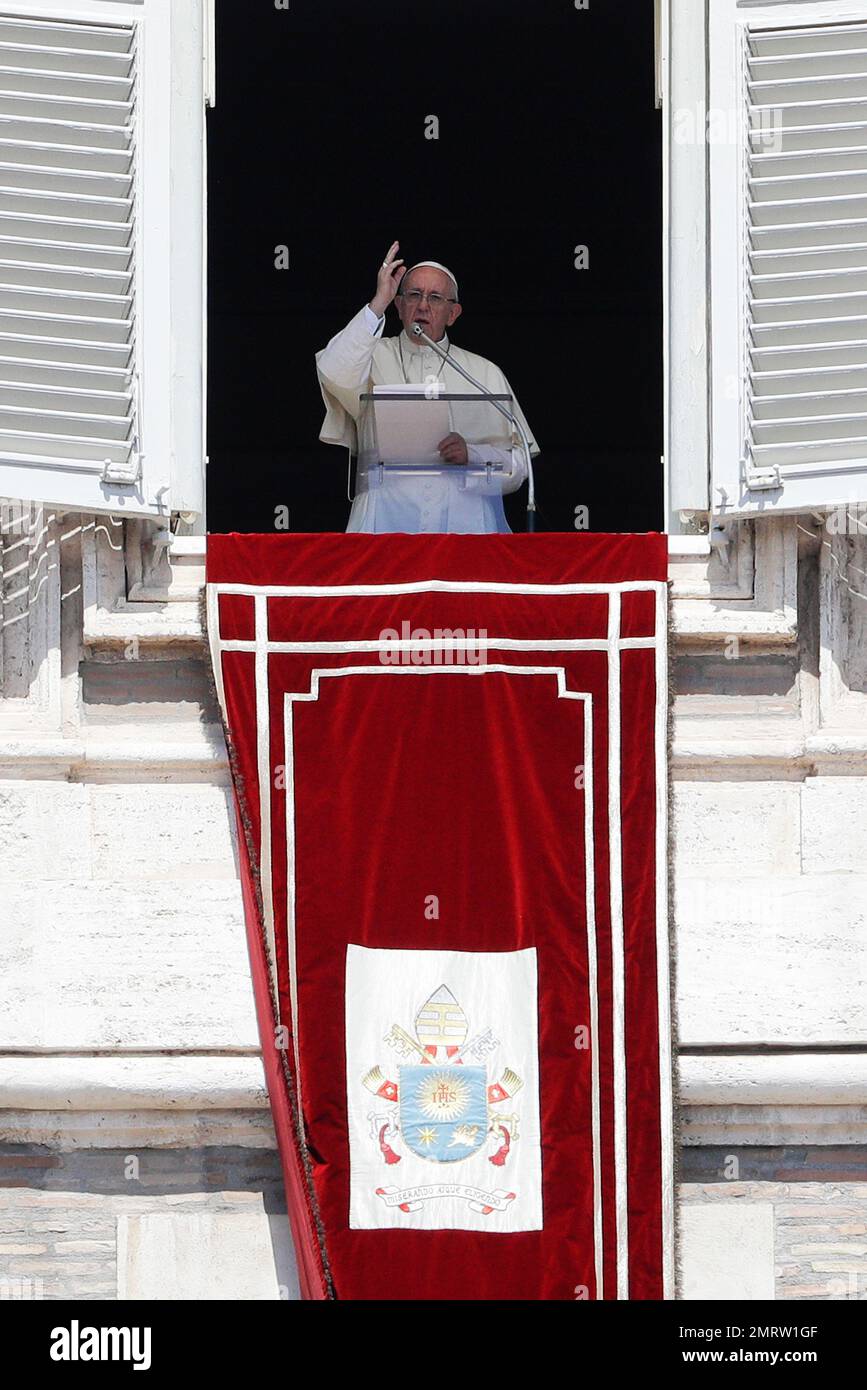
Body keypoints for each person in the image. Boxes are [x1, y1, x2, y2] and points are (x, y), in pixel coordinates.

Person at [316, 241, 539, 534]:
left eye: (435, 298)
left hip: (465, 526)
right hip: (384, 521)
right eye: (413, 295)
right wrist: (378, 302)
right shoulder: (368, 355)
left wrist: (472, 455)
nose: (422, 305)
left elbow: (520, 466)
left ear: (453, 313)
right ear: (399, 305)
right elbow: (333, 370)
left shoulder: (484, 372)